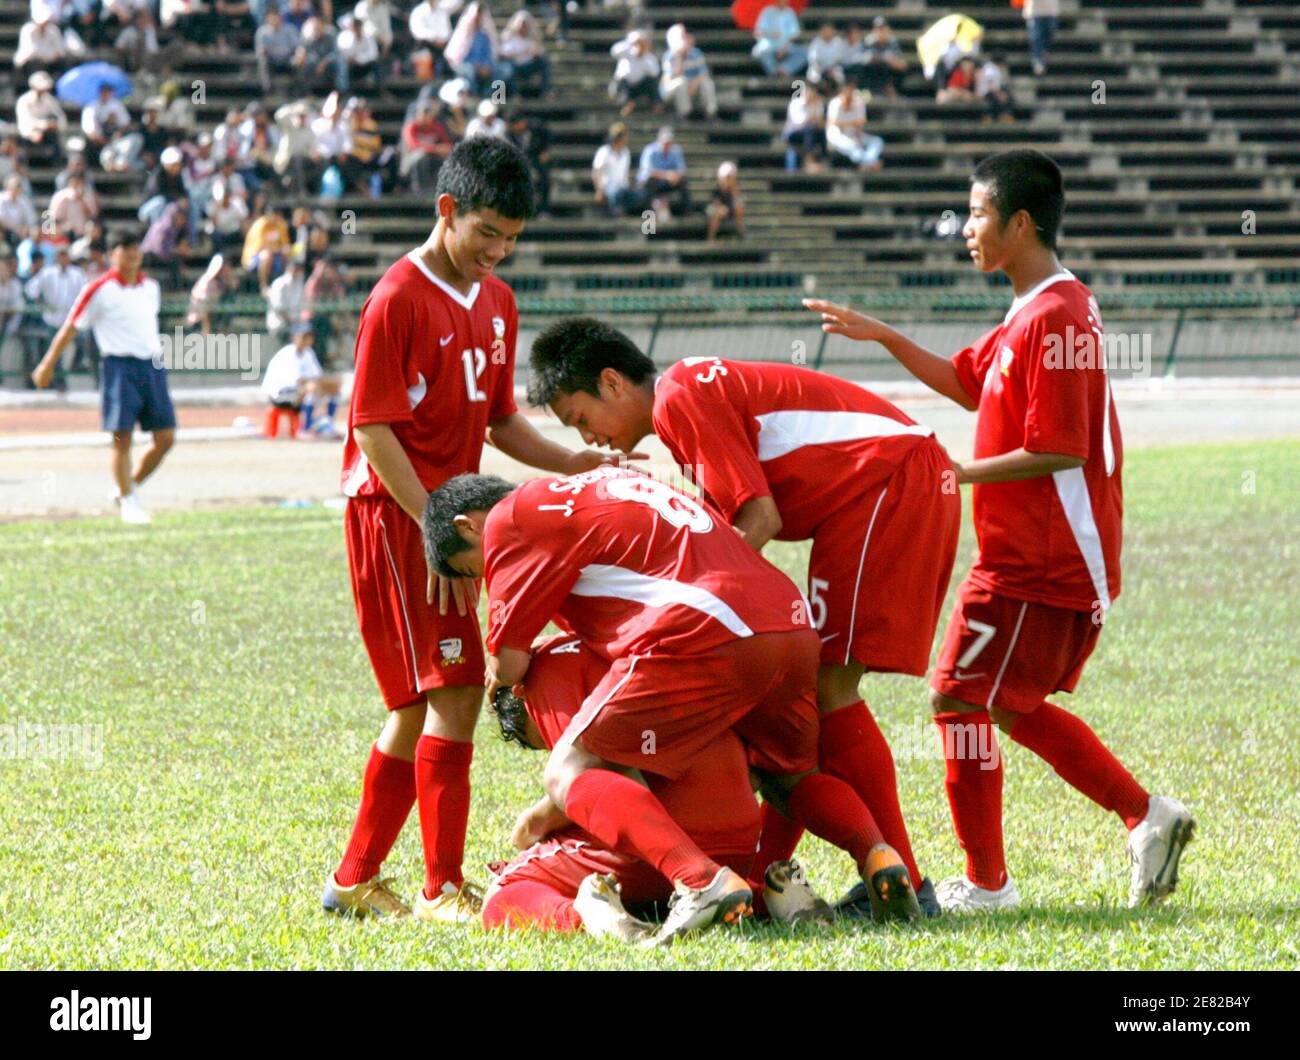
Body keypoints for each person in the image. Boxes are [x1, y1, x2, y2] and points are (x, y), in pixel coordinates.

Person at [804, 149, 1195, 912]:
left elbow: (1061, 449)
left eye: (977, 214)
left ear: (1019, 222)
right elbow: (967, 381)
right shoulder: (1037, 309)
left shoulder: (1058, 316)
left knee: (956, 697)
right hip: (1029, 556)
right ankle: (1146, 815)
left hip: (1040, 560)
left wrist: (956, 474)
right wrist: (883, 335)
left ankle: (988, 885)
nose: (966, 229)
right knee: (1004, 705)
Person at [528, 317, 962, 918]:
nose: (591, 439)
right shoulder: (683, 405)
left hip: (889, 482)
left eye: (580, 418)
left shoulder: (679, 397)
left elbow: (758, 518)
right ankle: (780, 876)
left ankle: (906, 879)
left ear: (611, 382)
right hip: (887, 485)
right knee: (811, 698)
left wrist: (695, 606)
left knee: (831, 690)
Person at [424, 466, 923, 943]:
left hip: (701, 628)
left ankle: (696, 881)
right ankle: (876, 853)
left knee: (567, 772)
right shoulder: (603, 487)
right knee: (790, 778)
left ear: (469, 525)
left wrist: (499, 684)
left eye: (476, 567)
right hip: (785, 621)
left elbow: (509, 663)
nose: (491, 575)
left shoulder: (514, 518)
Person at [321, 138, 615, 924]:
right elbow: (374, 431)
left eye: (512, 238)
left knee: (419, 707)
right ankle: (441, 889)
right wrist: (435, 528)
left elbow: (499, 421)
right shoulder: (396, 299)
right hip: (397, 515)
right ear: (446, 210)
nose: (498, 251)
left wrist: (570, 464)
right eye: (487, 232)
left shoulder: (499, 304)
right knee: (451, 695)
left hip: (443, 521)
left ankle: (354, 882)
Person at [480, 634, 831, 937]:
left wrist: (534, 822)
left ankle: (582, 915)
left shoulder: (545, 673)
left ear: (520, 693)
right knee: (660, 892)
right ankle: (766, 896)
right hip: (738, 835)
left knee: (503, 893)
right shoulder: (641, 630)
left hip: (666, 838)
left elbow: (601, 779)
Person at [31, 229, 175, 525]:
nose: (132, 253)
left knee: (166, 438)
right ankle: (130, 502)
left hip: (151, 366)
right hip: (119, 367)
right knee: (122, 438)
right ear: (112, 255)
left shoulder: (151, 288)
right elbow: (71, 326)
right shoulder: (99, 289)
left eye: (134, 247)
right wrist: (48, 363)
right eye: (124, 247)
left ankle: (127, 489)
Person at [261, 320, 341, 439]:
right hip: (278, 395)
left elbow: (317, 376)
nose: (306, 339)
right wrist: (318, 385)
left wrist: (329, 384)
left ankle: (329, 425)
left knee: (335, 386)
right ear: (295, 337)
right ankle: (304, 430)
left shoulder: (308, 353)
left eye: (309, 336)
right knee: (312, 387)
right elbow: (298, 380)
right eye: (303, 336)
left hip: (297, 391)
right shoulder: (287, 354)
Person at [445, 1, 509, 98]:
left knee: (505, 69)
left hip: (484, 66)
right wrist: (476, 66)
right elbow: (456, 57)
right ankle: (473, 97)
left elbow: (489, 54)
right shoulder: (462, 34)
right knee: (469, 71)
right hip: (465, 65)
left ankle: (489, 96)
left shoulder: (486, 35)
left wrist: (486, 66)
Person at [659, 23, 717, 121]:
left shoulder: (696, 53)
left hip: (692, 85)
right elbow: (672, 77)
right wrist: (679, 57)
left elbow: (704, 73)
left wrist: (694, 83)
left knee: (707, 83)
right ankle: (685, 114)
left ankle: (711, 113)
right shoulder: (669, 56)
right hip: (671, 89)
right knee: (682, 82)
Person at [826, 80, 883, 172]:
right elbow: (832, 122)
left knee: (877, 141)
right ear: (842, 91)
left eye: (851, 90)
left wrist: (858, 134)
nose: (849, 93)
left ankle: (867, 163)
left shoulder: (858, 102)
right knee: (853, 146)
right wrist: (851, 123)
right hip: (837, 135)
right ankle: (872, 163)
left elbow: (861, 122)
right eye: (846, 90)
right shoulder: (835, 103)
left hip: (853, 134)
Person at [637, 125, 691, 220]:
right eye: (665, 142)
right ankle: (648, 215)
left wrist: (676, 176)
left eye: (669, 142)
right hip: (651, 184)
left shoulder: (676, 150)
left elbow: (682, 170)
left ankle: (686, 213)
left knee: (683, 181)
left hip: (667, 183)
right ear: (659, 140)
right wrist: (667, 175)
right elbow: (647, 171)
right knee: (651, 182)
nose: (667, 145)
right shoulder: (650, 150)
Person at [506, 110, 552, 218]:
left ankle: (544, 209)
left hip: (537, 155)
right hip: (521, 158)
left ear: (521, 122)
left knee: (545, 180)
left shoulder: (537, 127)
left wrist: (545, 151)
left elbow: (548, 137)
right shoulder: (510, 134)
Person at [400, 101, 454, 193]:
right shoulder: (411, 127)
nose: (424, 117)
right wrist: (435, 148)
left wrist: (445, 149)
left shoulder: (437, 127)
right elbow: (414, 145)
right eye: (422, 114)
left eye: (427, 114)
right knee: (421, 156)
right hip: (410, 158)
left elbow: (446, 144)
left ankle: (444, 187)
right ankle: (419, 189)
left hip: (432, 156)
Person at [591, 121, 641, 217]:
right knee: (617, 193)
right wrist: (599, 190)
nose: (626, 139)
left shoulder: (626, 153)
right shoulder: (604, 151)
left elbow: (624, 175)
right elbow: (596, 172)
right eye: (624, 136)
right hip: (608, 188)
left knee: (640, 195)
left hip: (622, 188)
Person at [499, 9, 550, 98]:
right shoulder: (510, 38)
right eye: (522, 25)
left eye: (525, 25)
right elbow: (503, 54)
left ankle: (546, 92)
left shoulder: (533, 38)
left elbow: (541, 52)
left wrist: (536, 52)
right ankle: (515, 95)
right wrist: (520, 52)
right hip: (515, 67)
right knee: (508, 66)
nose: (523, 27)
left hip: (528, 67)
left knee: (544, 61)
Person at [751, 0, 807, 78]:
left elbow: (794, 34)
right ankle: (774, 72)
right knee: (762, 53)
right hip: (768, 46)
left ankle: (784, 69)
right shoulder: (767, 11)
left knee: (805, 52)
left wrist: (784, 48)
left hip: (786, 46)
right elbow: (757, 32)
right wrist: (770, 34)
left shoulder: (790, 12)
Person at [609, 28, 658, 117]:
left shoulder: (650, 57)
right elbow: (614, 51)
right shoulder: (626, 53)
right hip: (623, 86)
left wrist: (643, 59)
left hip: (639, 88)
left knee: (651, 82)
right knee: (622, 81)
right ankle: (626, 105)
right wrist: (631, 44)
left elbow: (654, 73)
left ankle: (656, 105)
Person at [255, 7, 300, 93]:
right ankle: (268, 90)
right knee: (263, 61)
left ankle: (298, 91)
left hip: (288, 59)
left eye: (276, 17)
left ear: (280, 17)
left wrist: (299, 55)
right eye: (272, 18)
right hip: (272, 60)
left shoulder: (290, 29)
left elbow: (297, 46)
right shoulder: (261, 32)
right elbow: (259, 52)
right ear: (267, 19)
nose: (274, 20)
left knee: (298, 61)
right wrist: (263, 51)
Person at [782, 81, 824, 172]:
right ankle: (809, 162)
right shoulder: (795, 103)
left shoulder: (817, 103)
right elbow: (800, 123)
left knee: (821, 132)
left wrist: (814, 109)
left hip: (809, 132)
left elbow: (820, 123)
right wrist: (812, 113)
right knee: (809, 129)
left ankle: (823, 161)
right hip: (793, 133)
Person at [706, 161, 745, 242]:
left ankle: (741, 234)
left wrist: (734, 192)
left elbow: (736, 202)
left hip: (728, 210)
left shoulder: (733, 189)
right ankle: (711, 238)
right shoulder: (718, 189)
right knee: (718, 213)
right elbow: (715, 204)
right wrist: (721, 208)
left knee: (739, 209)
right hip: (717, 210)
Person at [1024, 0, 1060, 76]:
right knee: (1036, 37)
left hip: (1051, 11)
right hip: (1035, 12)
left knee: (1050, 33)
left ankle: (1045, 54)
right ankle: (1037, 60)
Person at [805, 22, 847, 87]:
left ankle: (837, 94)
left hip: (834, 68)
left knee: (840, 77)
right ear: (821, 32)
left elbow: (841, 59)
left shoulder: (839, 42)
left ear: (833, 31)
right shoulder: (816, 42)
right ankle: (815, 93)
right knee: (813, 76)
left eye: (829, 31)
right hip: (819, 69)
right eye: (824, 31)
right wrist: (823, 69)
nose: (827, 33)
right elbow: (813, 59)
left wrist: (832, 69)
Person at [978, 53, 1014, 123]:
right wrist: (999, 94)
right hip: (986, 92)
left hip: (993, 90)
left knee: (1009, 95)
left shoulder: (994, 68)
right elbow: (990, 84)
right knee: (1002, 98)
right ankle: (989, 117)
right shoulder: (990, 68)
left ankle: (1004, 116)